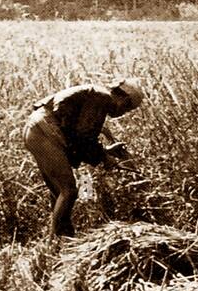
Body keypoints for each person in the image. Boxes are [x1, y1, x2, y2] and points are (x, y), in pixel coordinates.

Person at [24, 78, 144, 238]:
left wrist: (105, 152)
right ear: (123, 98)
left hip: (37, 130)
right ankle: (53, 242)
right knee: (68, 190)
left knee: (59, 192)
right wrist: (104, 157)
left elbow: (76, 136)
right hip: (44, 133)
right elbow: (83, 137)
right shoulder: (102, 98)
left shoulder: (96, 95)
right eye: (127, 108)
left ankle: (63, 238)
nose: (123, 113)